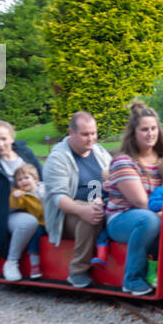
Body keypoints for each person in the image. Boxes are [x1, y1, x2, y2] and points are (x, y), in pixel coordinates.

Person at [103, 101, 163, 296]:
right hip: (123, 219)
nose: (150, 133)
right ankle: (132, 279)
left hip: (156, 213)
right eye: (144, 130)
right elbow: (141, 202)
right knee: (148, 219)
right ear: (134, 133)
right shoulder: (124, 161)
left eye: (153, 128)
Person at [42, 111, 112, 289]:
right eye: (85, 134)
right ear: (71, 133)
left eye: (94, 133)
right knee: (90, 217)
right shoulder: (58, 159)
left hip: (102, 205)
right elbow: (59, 198)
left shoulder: (100, 152)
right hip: (67, 215)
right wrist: (84, 210)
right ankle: (78, 270)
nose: (91, 139)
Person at [0, 120, 43, 282]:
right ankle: (11, 262)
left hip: (35, 204)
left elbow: (41, 175)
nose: (0, 144)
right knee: (29, 223)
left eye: (4, 138)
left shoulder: (25, 153)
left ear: (12, 138)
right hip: (8, 211)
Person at [4, 163, 46, 280]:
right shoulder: (21, 195)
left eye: (26, 178)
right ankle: (34, 263)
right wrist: (16, 197)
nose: (23, 181)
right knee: (34, 232)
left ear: (35, 179)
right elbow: (15, 204)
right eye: (19, 180)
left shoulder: (44, 188)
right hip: (38, 224)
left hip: (49, 222)